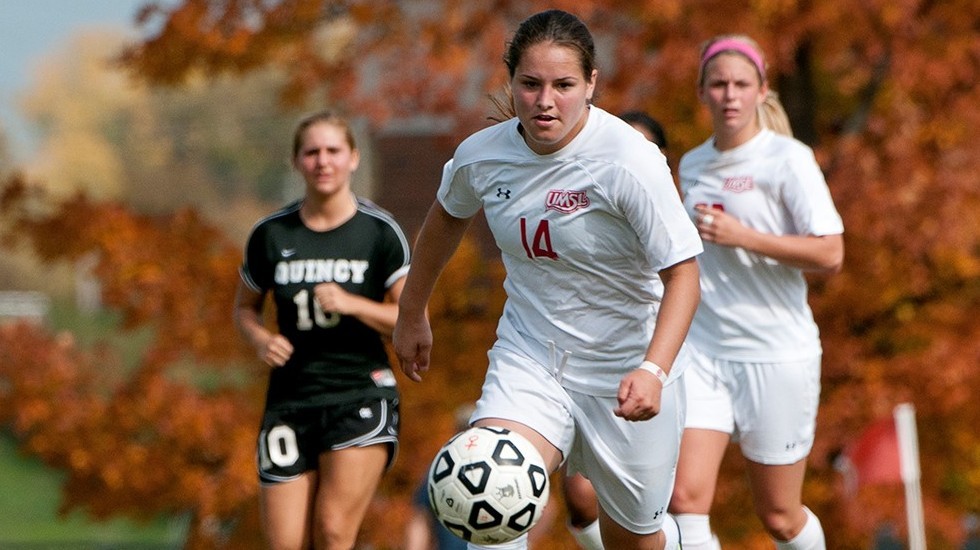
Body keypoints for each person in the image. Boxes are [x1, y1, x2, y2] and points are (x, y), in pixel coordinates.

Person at [393, 9, 702, 550]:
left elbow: (684, 274)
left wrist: (653, 369)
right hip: (530, 356)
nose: (545, 101)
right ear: (511, 81)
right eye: (530, 84)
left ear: (591, 85)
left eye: (563, 85)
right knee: (488, 493)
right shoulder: (481, 157)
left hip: (625, 369)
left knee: (632, 538)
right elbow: (445, 219)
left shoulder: (629, 161)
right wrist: (411, 311)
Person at [668, 35, 844, 549]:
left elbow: (831, 254)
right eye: (718, 83)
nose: (730, 95)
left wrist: (744, 237)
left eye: (741, 84)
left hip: (776, 353)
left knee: (779, 516)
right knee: (683, 498)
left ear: (762, 91)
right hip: (704, 352)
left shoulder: (787, 160)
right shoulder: (692, 165)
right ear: (702, 91)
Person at [233, 111, 411, 550]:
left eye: (333, 151)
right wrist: (260, 339)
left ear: (352, 158)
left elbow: (408, 319)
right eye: (311, 152)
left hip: (359, 394)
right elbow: (244, 309)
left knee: (332, 532)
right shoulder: (271, 234)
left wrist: (351, 303)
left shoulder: (379, 232)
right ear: (297, 162)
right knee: (287, 543)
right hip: (290, 401)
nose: (322, 161)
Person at [561, 110, 671, 550]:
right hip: (589, 362)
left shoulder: (667, 209)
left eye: (646, 149)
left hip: (667, 363)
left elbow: (687, 281)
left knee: (674, 503)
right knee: (583, 498)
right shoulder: (583, 199)